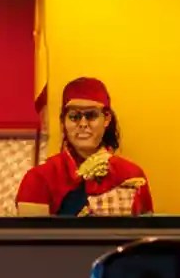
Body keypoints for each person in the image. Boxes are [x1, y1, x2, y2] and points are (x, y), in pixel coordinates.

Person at [16, 77, 154, 217]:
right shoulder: (38, 179)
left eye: (91, 115)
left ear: (106, 119)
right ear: (63, 121)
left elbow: (145, 234)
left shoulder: (131, 175)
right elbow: (35, 237)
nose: (83, 124)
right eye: (74, 116)